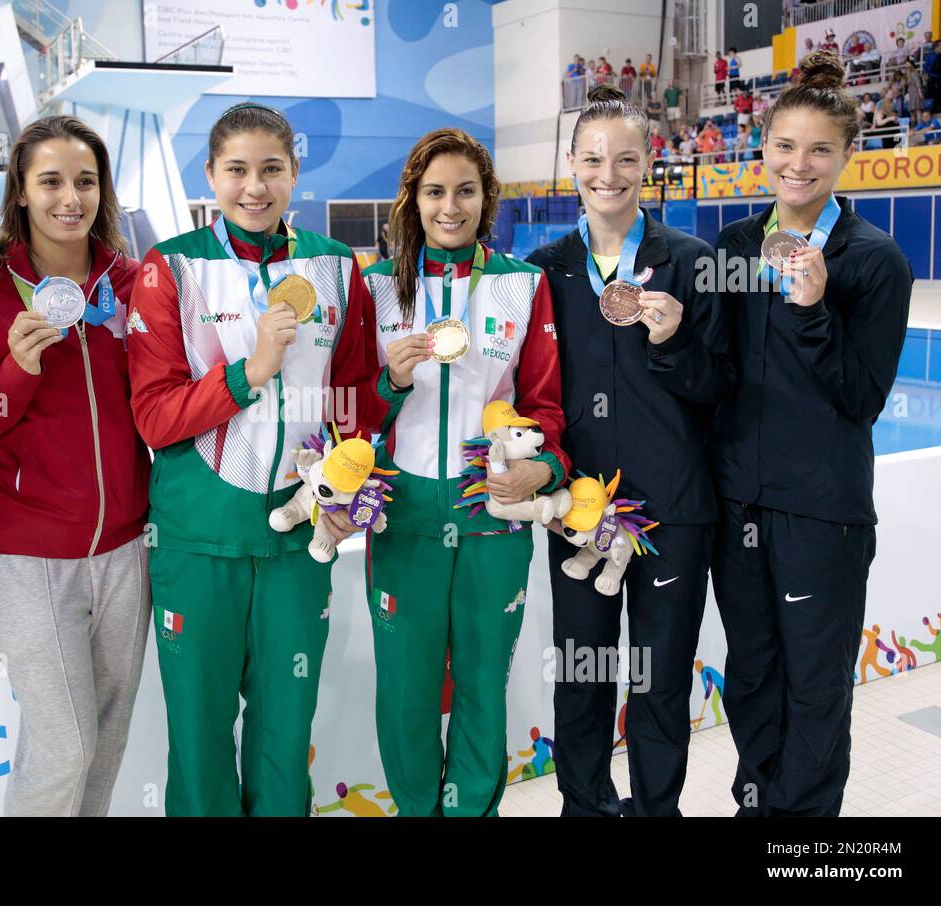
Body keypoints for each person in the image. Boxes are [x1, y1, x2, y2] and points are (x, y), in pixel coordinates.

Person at [126, 102, 380, 817]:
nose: (254, 187)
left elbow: (352, 400)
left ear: (294, 173)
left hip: (299, 544)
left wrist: (356, 458)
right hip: (198, 541)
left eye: (272, 169)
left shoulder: (334, 266)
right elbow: (154, 416)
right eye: (236, 169)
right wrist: (250, 372)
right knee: (201, 745)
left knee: (284, 737)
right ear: (210, 174)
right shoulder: (169, 266)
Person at [710, 51, 913, 817]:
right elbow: (715, 377)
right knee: (754, 675)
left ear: (846, 156)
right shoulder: (731, 249)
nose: (801, 164)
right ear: (762, 151)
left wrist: (812, 308)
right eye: (786, 147)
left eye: (820, 149)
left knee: (816, 685)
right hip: (740, 505)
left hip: (821, 513)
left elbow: (861, 398)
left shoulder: (873, 260)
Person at [527, 83, 733, 817]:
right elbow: (530, 393)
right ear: (572, 164)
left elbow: (720, 389)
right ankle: (584, 805)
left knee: (661, 680)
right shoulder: (543, 268)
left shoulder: (691, 261)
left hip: (674, 510)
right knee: (583, 673)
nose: (606, 174)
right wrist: (545, 485)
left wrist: (675, 340)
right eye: (591, 159)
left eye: (623, 158)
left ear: (649, 161)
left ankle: (656, 810)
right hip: (581, 511)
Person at [0, 115, 151, 817]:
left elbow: (161, 402)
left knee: (107, 740)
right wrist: (15, 376)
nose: (71, 198)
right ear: (20, 193)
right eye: (51, 181)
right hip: (25, 553)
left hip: (126, 546)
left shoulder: (133, 282)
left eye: (86, 181)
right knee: (63, 745)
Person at [362, 128, 567, 817]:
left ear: (488, 199)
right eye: (435, 192)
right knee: (407, 690)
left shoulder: (522, 284)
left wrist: (541, 467)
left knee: (483, 684)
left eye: (466, 191)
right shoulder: (376, 291)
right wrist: (388, 383)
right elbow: (348, 419)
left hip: (493, 514)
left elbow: (545, 407)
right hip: (404, 516)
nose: (451, 207)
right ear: (412, 201)